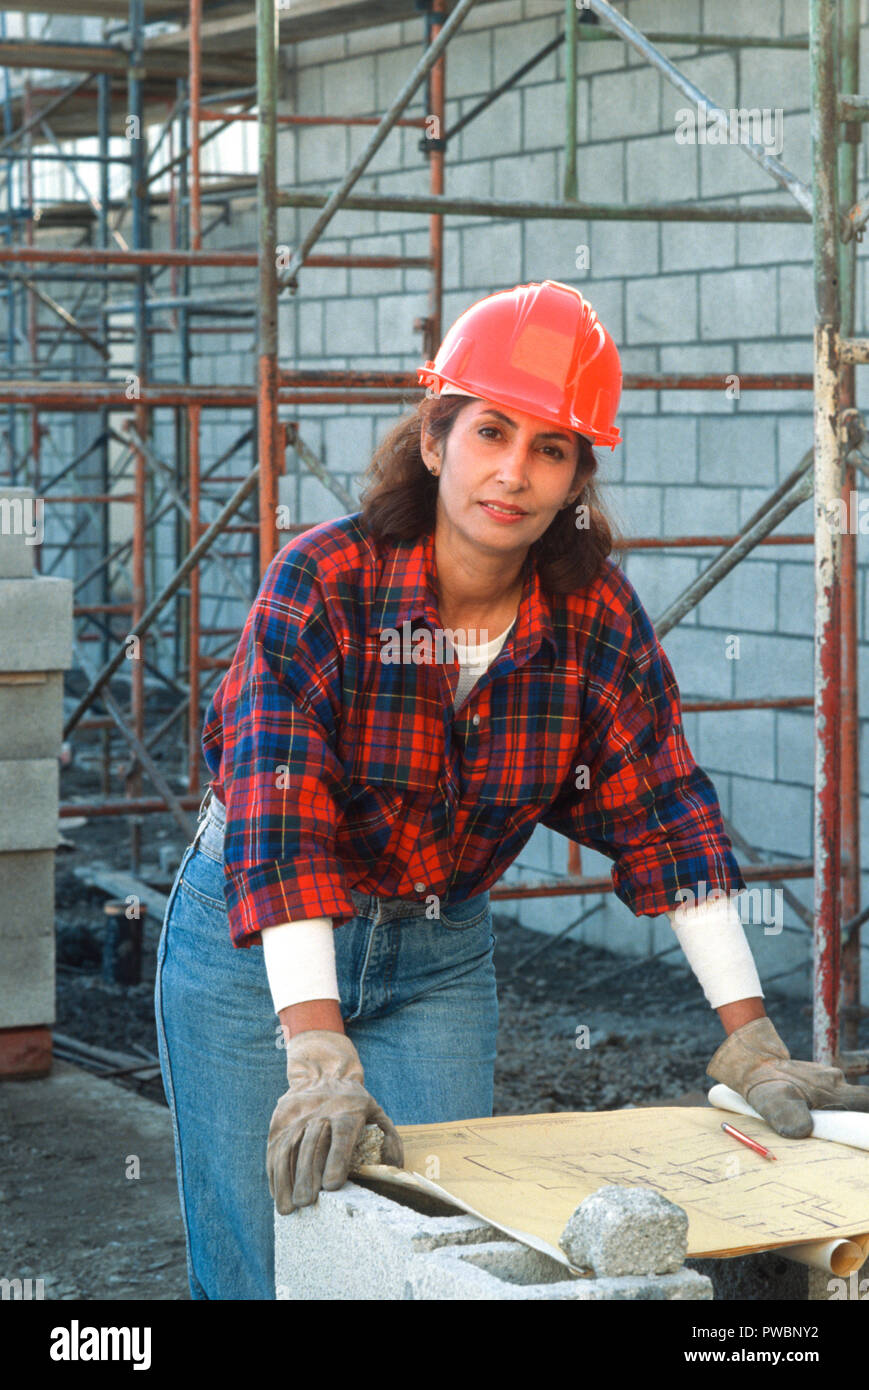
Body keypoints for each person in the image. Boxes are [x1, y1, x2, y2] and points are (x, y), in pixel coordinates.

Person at [155, 279, 869, 1302]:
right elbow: (282, 815)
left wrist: (747, 1037)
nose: (514, 471)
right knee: (266, 1250)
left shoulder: (592, 619)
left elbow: (663, 810)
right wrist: (314, 1047)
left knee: (438, 1242)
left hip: (439, 954)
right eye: (490, 431)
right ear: (435, 439)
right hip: (254, 943)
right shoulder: (322, 582)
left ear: (578, 474)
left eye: (551, 448)